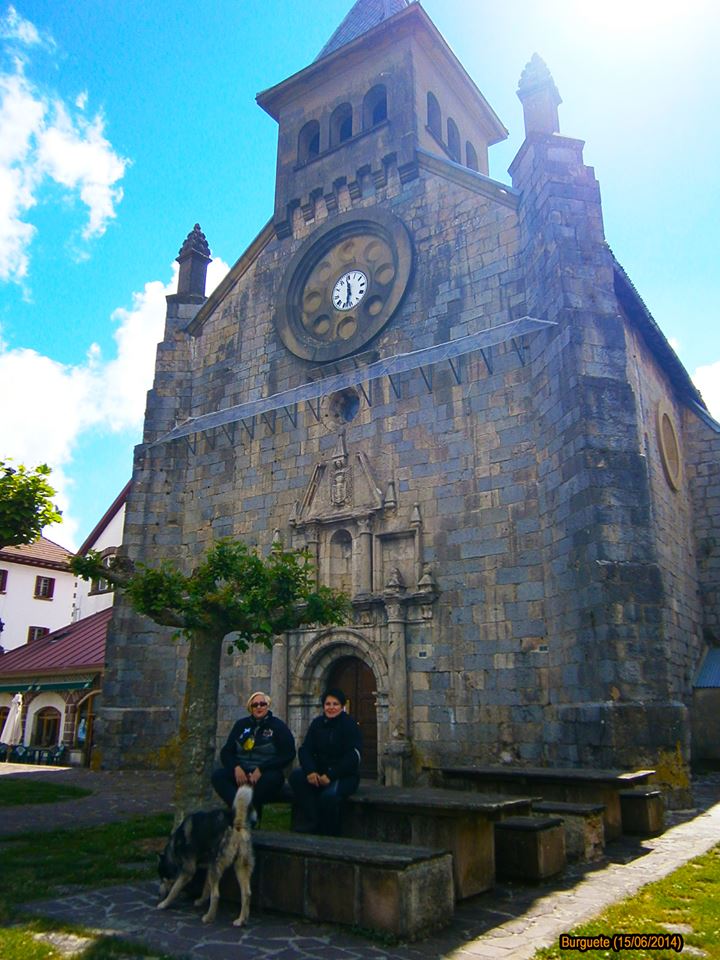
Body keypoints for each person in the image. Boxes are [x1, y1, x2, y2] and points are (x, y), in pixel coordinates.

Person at [211, 691, 295, 823]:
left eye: (262, 704)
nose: (259, 707)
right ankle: (242, 809)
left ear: (267, 705)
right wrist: (236, 767)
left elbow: (288, 753)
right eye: (255, 705)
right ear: (250, 707)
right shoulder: (241, 725)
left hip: (265, 772)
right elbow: (227, 751)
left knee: (272, 780)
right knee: (218, 776)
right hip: (242, 771)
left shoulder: (278, 726)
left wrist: (262, 769)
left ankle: (245, 814)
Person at [289, 687, 362, 836]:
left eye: (335, 704)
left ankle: (330, 833)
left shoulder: (349, 725)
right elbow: (305, 749)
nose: (331, 707)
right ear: (323, 706)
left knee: (328, 797)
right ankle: (312, 821)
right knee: (296, 777)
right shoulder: (317, 724)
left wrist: (331, 775)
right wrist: (310, 771)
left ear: (342, 706)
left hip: (344, 775)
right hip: (319, 773)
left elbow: (353, 757)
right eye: (328, 704)